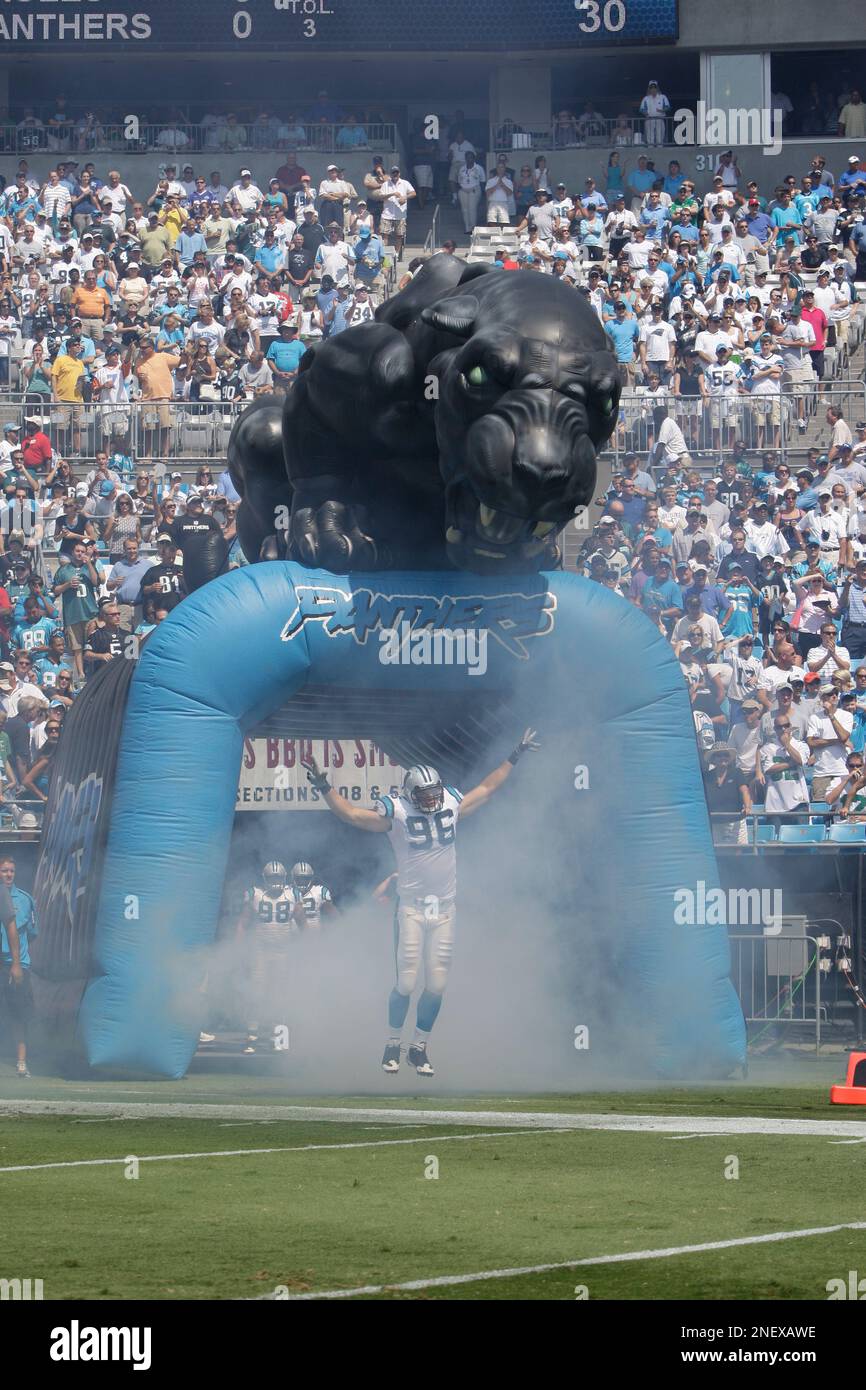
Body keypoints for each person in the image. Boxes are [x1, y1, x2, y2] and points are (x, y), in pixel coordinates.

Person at [303, 734, 539, 1077]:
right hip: (412, 908)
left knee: (438, 983)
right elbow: (353, 815)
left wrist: (514, 754)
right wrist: (325, 786)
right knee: (406, 982)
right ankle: (392, 1042)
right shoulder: (396, 811)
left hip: (445, 909)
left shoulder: (451, 802)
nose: (430, 801)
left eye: (433, 794)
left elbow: (487, 788)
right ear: (410, 794)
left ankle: (419, 1047)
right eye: (423, 795)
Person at [238, 860, 302, 1055]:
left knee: (280, 994)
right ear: (265, 878)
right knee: (256, 992)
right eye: (272, 877)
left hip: (283, 950)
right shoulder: (255, 894)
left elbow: (302, 921)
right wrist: (239, 947)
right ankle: (252, 1036)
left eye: (278, 877)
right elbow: (243, 922)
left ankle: (279, 1037)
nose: (275, 881)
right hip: (261, 950)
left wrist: (308, 946)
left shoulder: (293, 894)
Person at [0, 858, 33, 1077]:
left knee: (19, 1013)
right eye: (4, 870)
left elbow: (30, 933)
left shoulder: (25, 900)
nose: (8, 874)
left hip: (14, 964)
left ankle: (21, 1063)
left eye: (11, 870)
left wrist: (18, 964)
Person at [807, 685, 854, 802]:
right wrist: (835, 741)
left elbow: (843, 736)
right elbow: (811, 742)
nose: (834, 696)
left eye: (835, 694)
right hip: (821, 773)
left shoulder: (846, 715)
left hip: (842, 771)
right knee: (821, 810)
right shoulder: (814, 718)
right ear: (823, 698)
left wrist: (831, 716)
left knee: (841, 808)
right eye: (830, 694)